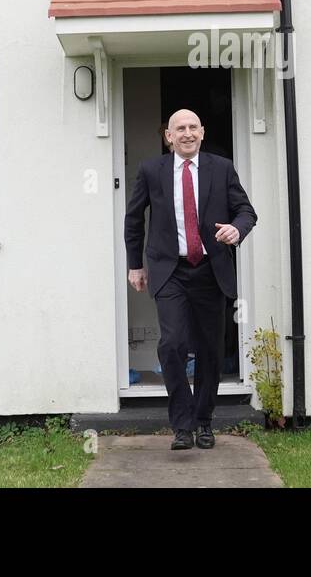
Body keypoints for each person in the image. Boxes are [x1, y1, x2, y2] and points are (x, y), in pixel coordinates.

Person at [124, 108, 257, 450]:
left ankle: (204, 421)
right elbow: (134, 220)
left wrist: (235, 229)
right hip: (170, 271)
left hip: (211, 271)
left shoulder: (221, 168)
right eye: (179, 128)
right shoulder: (151, 171)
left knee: (210, 351)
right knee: (172, 345)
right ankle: (182, 424)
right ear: (168, 136)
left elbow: (246, 211)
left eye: (192, 127)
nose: (187, 133)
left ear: (202, 132)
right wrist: (135, 265)